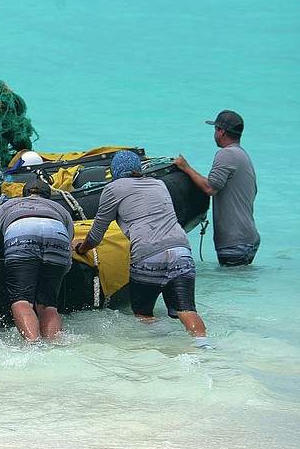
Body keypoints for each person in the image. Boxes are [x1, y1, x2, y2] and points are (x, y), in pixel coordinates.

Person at [73, 150, 211, 347]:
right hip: (181, 251)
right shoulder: (159, 184)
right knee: (187, 310)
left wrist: (81, 249)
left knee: (143, 313)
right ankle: (203, 344)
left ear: (114, 171)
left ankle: (165, 342)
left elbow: (96, 235)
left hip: (148, 254)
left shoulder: (113, 189)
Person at [174, 110, 260, 266]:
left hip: (234, 242)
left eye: (215, 129)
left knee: (233, 289)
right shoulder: (242, 155)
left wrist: (185, 167)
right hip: (248, 238)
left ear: (222, 131)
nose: (215, 133)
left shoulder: (226, 155)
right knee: (239, 287)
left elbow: (210, 188)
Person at [0, 179, 74, 342]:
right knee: (48, 304)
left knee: (22, 300)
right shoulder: (61, 209)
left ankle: (32, 344)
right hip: (56, 233)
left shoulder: (6, 206)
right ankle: (54, 345)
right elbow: (68, 241)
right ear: (48, 197)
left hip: (21, 230)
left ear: (23, 195)